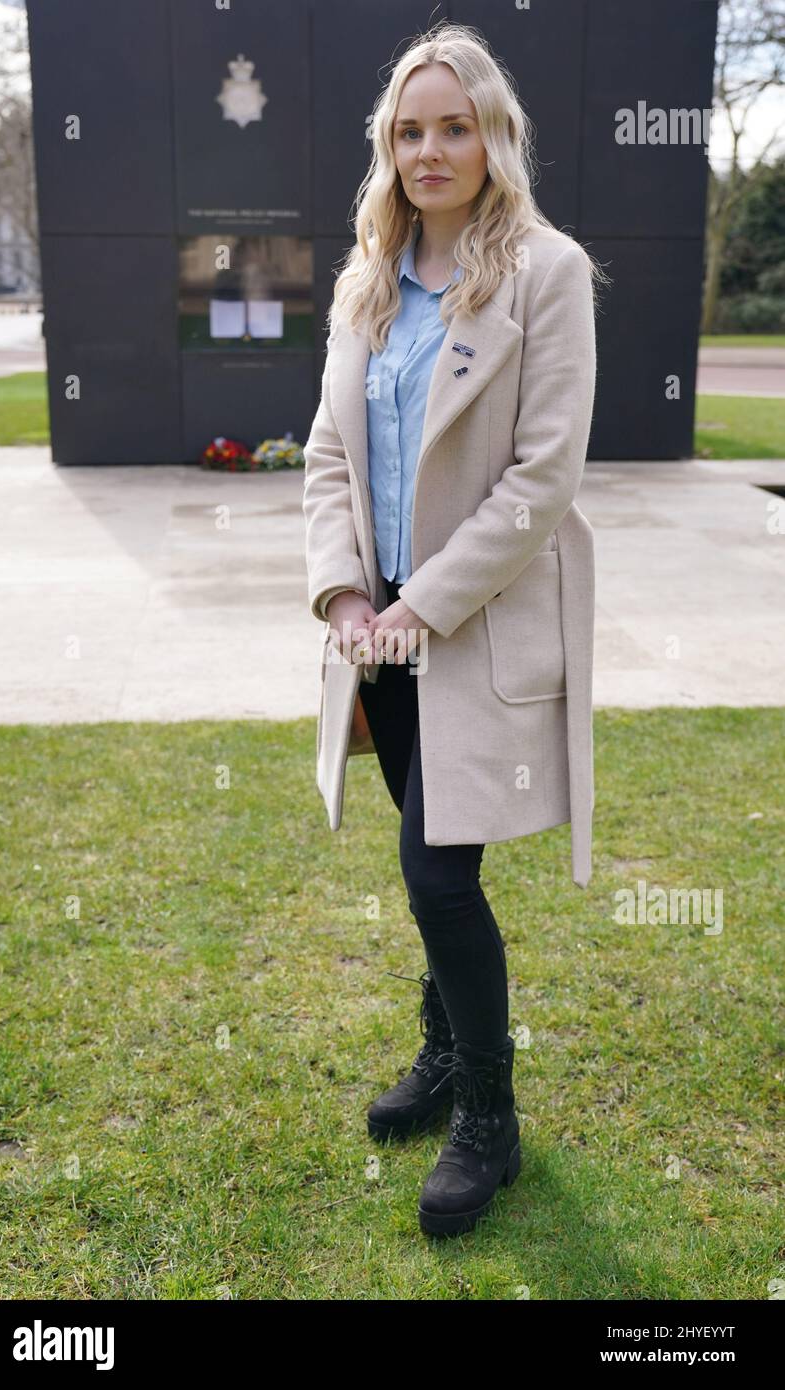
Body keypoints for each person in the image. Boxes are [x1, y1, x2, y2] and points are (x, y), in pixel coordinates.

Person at [302, 20, 607, 1239]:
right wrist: (345, 594)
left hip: (471, 627)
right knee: (434, 867)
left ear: (493, 135)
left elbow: (544, 479)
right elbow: (327, 453)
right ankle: (440, 1056)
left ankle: (489, 1110)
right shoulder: (367, 278)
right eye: (409, 130)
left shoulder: (547, 271)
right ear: (389, 147)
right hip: (379, 634)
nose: (432, 149)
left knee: (437, 869)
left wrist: (422, 600)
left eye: (455, 124)